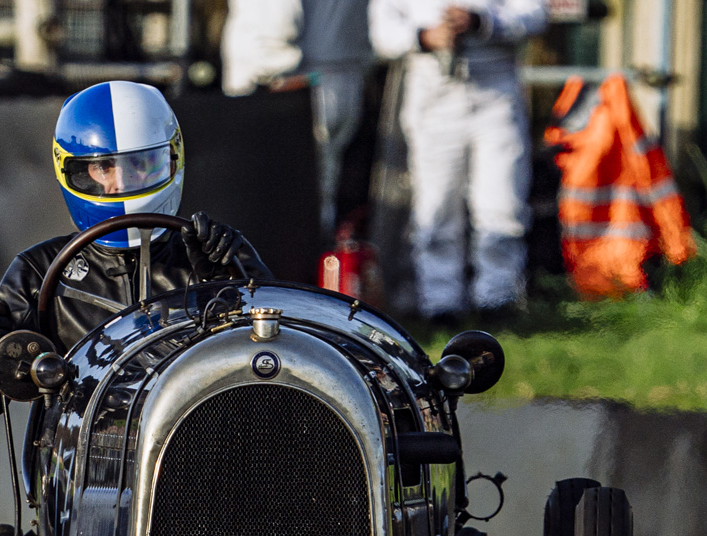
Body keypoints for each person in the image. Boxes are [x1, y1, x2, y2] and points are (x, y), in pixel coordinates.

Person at [0, 81, 272, 419]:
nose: (121, 182)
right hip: (81, 456)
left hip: (196, 441)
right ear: (75, 170)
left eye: (139, 164)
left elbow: (275, 363)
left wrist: (230, 288)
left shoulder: (211, 256)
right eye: (104, 167)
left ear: (171, 159)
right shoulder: (39, 272)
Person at [369, 0, 546, 321]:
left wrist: (482, 21)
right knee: (436, 207)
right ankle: (440, 303)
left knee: (502, 203)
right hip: (432, 92)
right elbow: (382, 32)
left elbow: (535, 13)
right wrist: (424, 36)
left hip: (496, 90)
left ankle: (499, 299)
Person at [221, 0, 372, 240]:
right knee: (319, 198)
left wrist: (270, 68)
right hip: (340, 71)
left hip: (294, 81)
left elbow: (274, 20)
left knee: (280, 205)